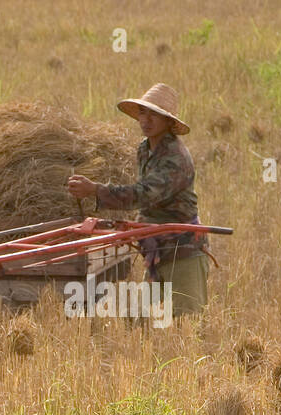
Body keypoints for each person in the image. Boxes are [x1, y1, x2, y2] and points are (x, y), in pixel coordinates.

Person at [68, 83, 209, 316]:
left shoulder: (175, 158)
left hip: (183, 250)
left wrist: (95, 190)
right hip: (156, 247)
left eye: (155, 115)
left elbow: (143, 194)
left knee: (188, 324)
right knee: (139, 320)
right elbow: (147, 203)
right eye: (143, 112)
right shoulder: (144, 149)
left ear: (168, 122)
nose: (147, 120)